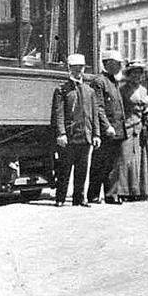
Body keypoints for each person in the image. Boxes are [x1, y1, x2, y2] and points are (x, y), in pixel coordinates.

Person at [50, 53, 106, 207]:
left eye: (80, 68)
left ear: (84, 69)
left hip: (85, 136)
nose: (78, 71)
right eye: (74, 68)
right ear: (69, 69)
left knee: (82, 170)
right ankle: (60, 198)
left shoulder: (90, 91)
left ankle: (79, 198)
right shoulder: (62, 90)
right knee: (64, 169)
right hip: (69, 137)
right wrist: (61, 133)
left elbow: (94, 114)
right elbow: (58, 114)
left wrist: (96, 134)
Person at [87, 50, 126, 205]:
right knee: (99, 164)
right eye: (117, 63)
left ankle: (111, 194)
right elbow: (98, 107)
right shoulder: (99, 81)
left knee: (113, 164)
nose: (120, 66)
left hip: (117, 130)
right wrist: (107, 126)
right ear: (108, 63)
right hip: (106, 131)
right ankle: (93, 194)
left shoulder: (113, 81)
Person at [116, 60, 148, 201]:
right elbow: (119, 110)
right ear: (129, 74)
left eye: (139, 73)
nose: (137, 76)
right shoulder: (122, 90)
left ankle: (141, 191)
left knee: (142, 160)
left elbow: (147, 111)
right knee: (126, 159)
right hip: (127, 127)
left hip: (141, 129)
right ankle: (125, 192)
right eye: (134, 73)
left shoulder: (143, 90)